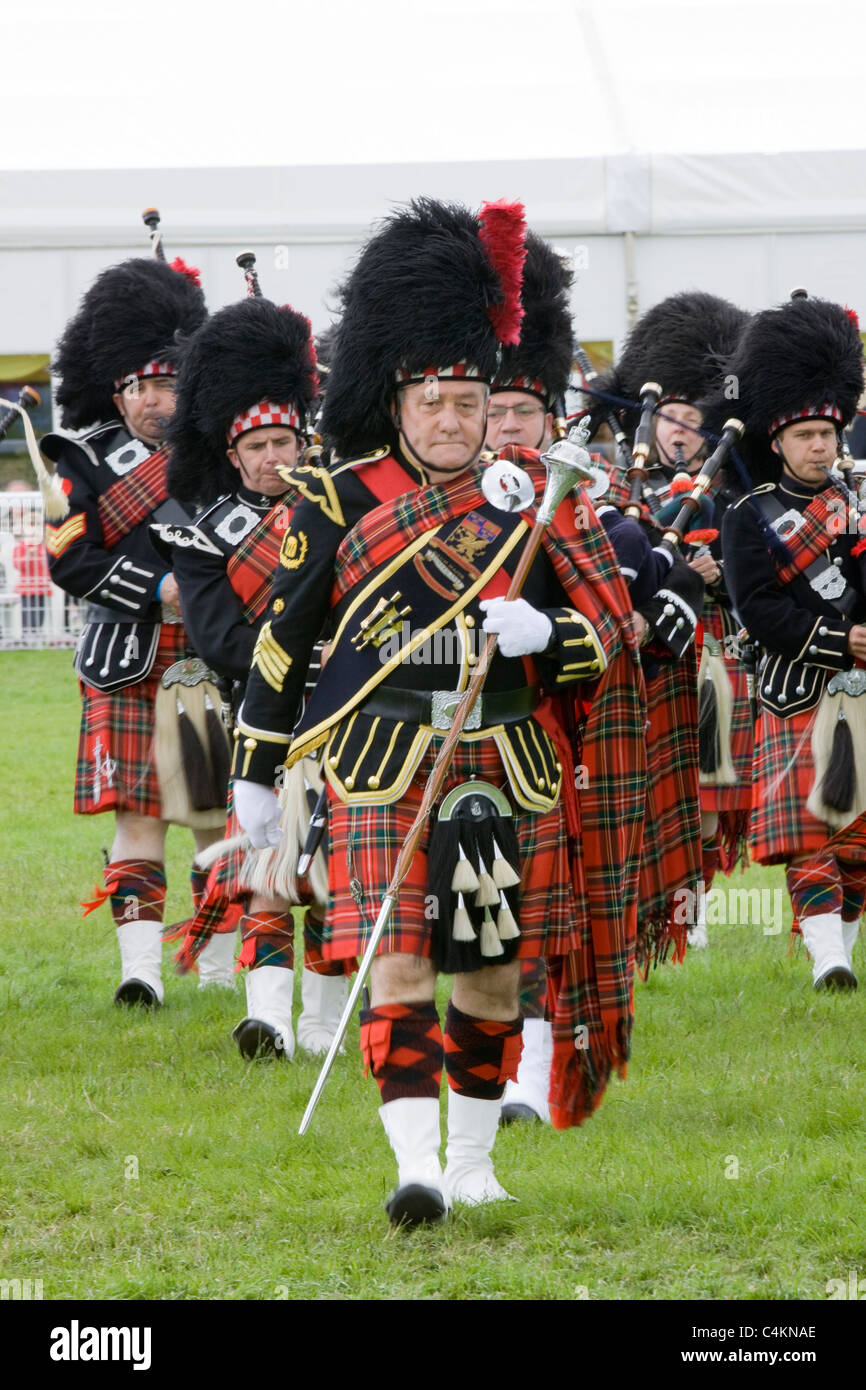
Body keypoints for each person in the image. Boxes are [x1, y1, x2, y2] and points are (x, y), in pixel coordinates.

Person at [231, 198, 646, 1227]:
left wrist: (546, 637)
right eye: (433, 402)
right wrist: (254, 768)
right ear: (396, 398)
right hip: (377, 755)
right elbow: (282, 639)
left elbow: (612, 627)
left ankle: (472, 1163)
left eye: (468, 401)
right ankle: (415, 1163)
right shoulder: (337, 495)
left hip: (502, 757)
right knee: (402, 958)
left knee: (489, 969)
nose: (453, 421)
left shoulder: (537, 495)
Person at [161, 285, 349, 1057]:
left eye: (285, 442)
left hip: (345, 715)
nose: (275, 459)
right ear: (232, 455)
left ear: (303, 441)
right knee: (271, 869)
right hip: (264, 716)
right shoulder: (202, 536)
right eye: (258, 448)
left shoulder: (342, 513)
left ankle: (324, 1024)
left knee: (336, 875)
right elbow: (217, 638)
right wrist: (308, 658)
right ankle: (269, 1017)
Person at [42, 255, 233, 1007]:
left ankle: (218, 969)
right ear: (114, 387)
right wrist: (157, 591)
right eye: (141, 385)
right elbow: (68, 557)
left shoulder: (226, 457)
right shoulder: (79, 460)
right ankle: (141, 972)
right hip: (126, 657)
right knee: (140, 816)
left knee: (213, 816)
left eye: (170, 382)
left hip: (210, 656)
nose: (157, 400)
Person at [721, 293, 866, 989]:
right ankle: (827, 958)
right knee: (808, 830)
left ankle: (842, 945)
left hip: (862, 692)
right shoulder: (749, 517)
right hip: (794, 690)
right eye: (805, 435)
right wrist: (844, 643)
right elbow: (757, 610)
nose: (819, 446)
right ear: (776, 440)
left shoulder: (858, 507)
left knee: (860, 839)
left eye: (828, 435)